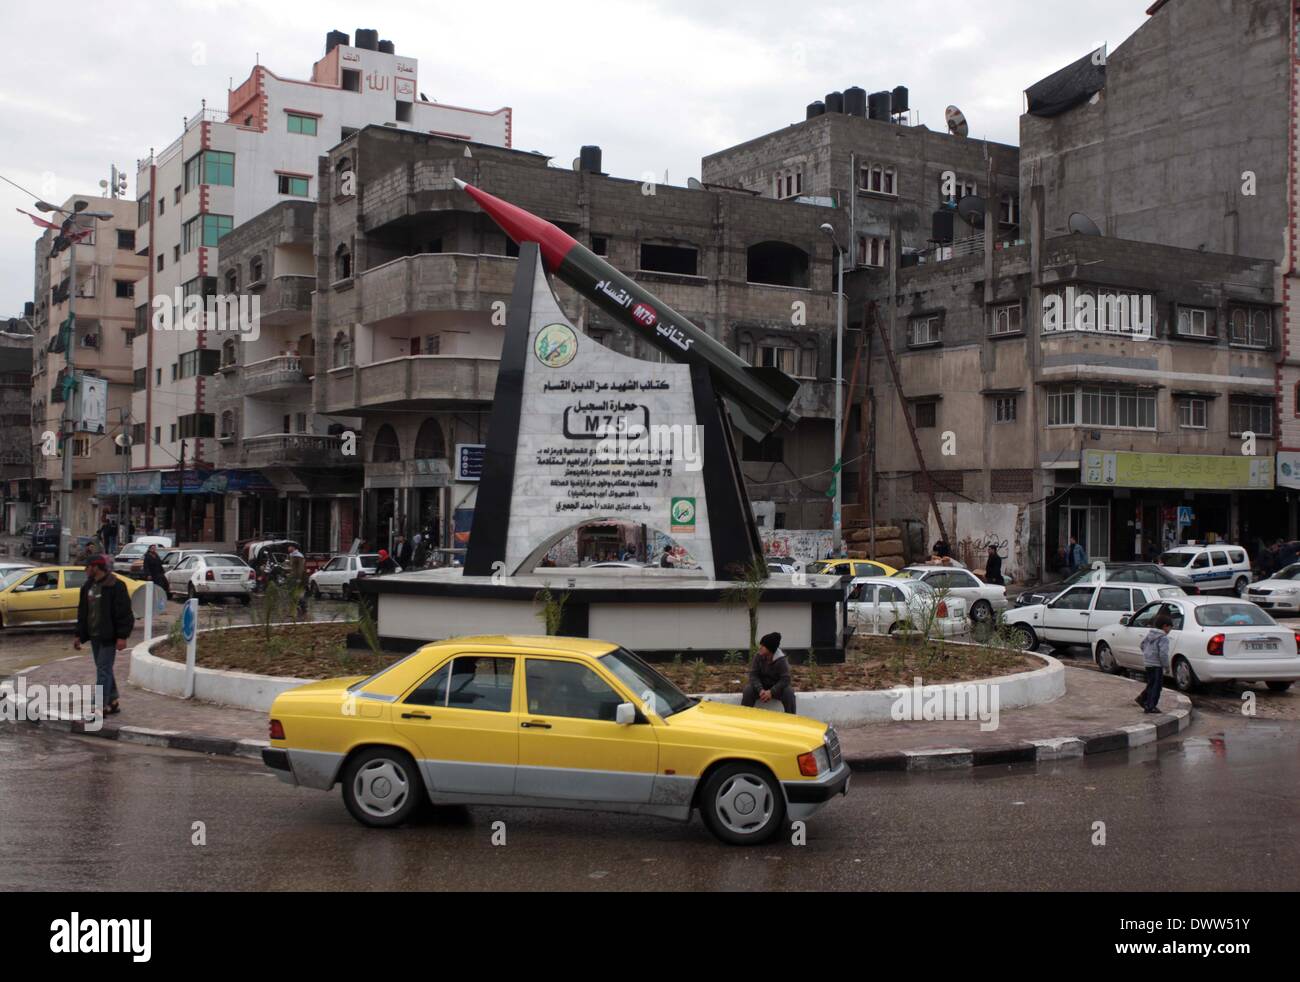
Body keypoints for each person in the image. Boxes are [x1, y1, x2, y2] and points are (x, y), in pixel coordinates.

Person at [73, 556, 135, 716]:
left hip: (109, 636)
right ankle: (113, 701)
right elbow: (82, 612)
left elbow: (125, 614)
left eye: (86, 567)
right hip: (94, 636)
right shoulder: (88, 586)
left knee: (103, 669)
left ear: (95, 567)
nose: (85, 570)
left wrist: (122, 636)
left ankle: (99, 706)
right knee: (104, 669)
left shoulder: (116, 586)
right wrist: (78, 634)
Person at [741, 632, 796, 715]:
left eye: (763, 646)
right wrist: (760, 690)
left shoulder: (781, 660)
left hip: (776, 688)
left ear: (770, 649)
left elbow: (785, 679)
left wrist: (771, 692)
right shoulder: (758, 656)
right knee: (748, 690)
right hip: (761, 687)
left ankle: (792, 720)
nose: (760, 648)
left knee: (789, 693)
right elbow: (753, 675)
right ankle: (744, 717)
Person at [1136, 612, 1172, 715]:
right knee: (1157, 687)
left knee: (1151, 684)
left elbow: (1142, 645)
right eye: (1170, 628)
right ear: (1165, 626)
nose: (1169, 631)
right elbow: (1163, 654)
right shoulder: (1163, 638)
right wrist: (1166, 666)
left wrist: (1148, 655)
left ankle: (1142, 699)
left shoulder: (1150, 634)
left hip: (1148, 663)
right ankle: (1151, 706)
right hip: (1157, 665)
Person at [287, 544, 308, 615]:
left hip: (299, 578)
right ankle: (298, 609)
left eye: (289, 546)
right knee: (293, 593)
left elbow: (300, 568)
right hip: (293, 577)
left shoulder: (298, 556)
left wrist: (299, 578)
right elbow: (292, 567)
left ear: (293, 547)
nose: (288, 548)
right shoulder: (292, 555)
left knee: (299, 594)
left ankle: (303, 608)